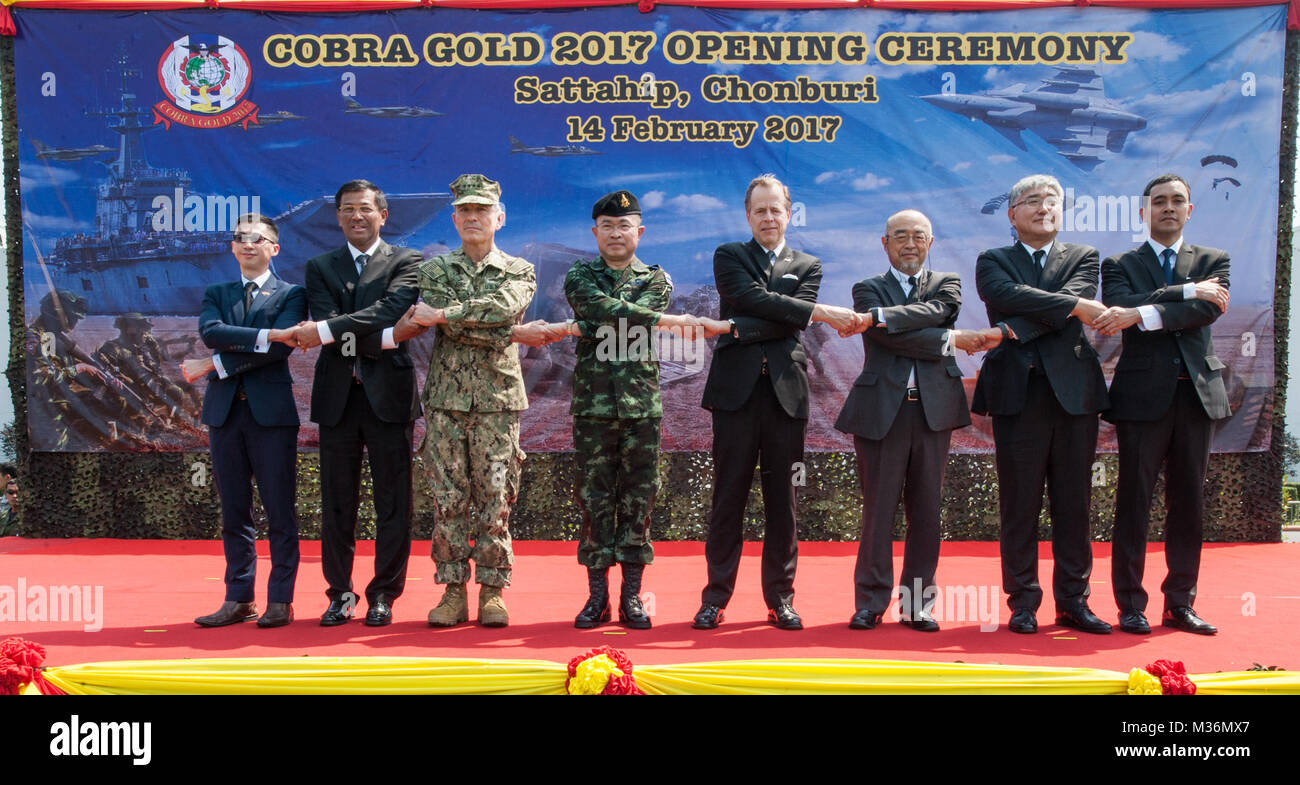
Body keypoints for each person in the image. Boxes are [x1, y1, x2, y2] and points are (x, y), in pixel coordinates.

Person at [693, 173, 867, 631]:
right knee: (728, 496)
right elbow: (747, 297)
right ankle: (715, 597)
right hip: (735, 394)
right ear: (748, 215)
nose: (768, 217)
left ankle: (781, 598)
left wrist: (737, 327)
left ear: (789, 214)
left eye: (776, 209)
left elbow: (787, 323)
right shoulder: (729, 256)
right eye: (760, 210)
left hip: (786, 395)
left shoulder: (807, 265)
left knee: (782, 502)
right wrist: (814, 312)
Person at [563, 190, 729, 629]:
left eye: (625, 226)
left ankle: (632, 598)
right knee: (593, 499)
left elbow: (615, 319)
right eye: (608, 226)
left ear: (639, 232)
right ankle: (596, 598)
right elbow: (594, 307)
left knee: (640, 499)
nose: (616, 233)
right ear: (595, 232)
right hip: (593, 406)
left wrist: (614, 320)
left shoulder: (658, 279)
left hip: (640, 407)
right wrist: (666, 321)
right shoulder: (579, 274)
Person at [834, 210, 1002, 632]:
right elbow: (884, 336)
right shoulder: (867, 288)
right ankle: (870, 602)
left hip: (933, 411)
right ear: (885, 243)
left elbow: (936, 311)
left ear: (930, 243)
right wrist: (948, 338)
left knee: (926, 511)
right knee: (878, 511)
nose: (910, 244)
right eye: (900, 236)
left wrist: (887, 318)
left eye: (919, 237)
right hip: (881, 413)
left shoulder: (948, 284)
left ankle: (917, 605)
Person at [972, 174, 1112, 635]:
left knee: (1074, 504)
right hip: (1017, 394)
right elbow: (1005, 296)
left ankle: (1073, 601)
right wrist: (1071, 305)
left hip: (1074, 395)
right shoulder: (993, 260)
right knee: (1019, 503)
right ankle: (1023, 602)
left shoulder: (1083, 257)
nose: (1043, 208)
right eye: (1032, 201)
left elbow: (1030, 309)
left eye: (1052, 201)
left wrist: (1014, 327)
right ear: (1012, 215)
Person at [1093, 174, 1230, 635]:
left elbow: (1208, 311)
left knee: (1188, 503)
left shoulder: (1215, 259)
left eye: (1177, 201)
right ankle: (1130, 604)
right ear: (1143, 211)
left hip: (1196, 397)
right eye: (1159, 201)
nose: (1168, 207)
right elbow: (1118, 306)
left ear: (1190, 210)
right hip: (1140, 399)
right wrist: (1188, 291)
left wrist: (1146, 312)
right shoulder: (1119, 264)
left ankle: (1180, 604)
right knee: (1134, 501)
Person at [410, 174, 536, 628]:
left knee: (496, 496)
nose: (472, 217)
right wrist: (485, 323)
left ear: (499, 218)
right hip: (446, 400)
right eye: (464, 210)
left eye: (481, 210)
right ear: (454, 217)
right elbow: (493, 319)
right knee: (448, 497)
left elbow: (505, 309)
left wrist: (446, 316)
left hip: (499, 401)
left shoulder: (520, 270)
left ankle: (493, 590)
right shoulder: (434, 270)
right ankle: (451, 591)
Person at [295, 180, 423, 627]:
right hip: (337, 398)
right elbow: (369, 323)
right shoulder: (320, 266)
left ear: (382, 215)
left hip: (389, 398)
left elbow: (390, 310)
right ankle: (340, 594)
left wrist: (330, 331)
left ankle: (384, 593)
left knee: (393, 502)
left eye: (365, 209)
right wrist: (385, 339)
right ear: (338, 217)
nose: (357, 216)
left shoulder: (408, 261)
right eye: (348, 209)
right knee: (336, 503)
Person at [183, 213, 306, 628]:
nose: (248, 244)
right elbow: (212, 332)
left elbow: (280, 352)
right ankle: (238, 599)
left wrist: (212, 365)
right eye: (240, 238)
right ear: (232, 247)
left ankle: (280, 599)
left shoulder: (291, 294)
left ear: (275, 247)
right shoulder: (217, 292)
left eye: (258, 238)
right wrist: (267, 334)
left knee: (279, 511)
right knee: (234, 511)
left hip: (271, 418)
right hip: (224, 416)